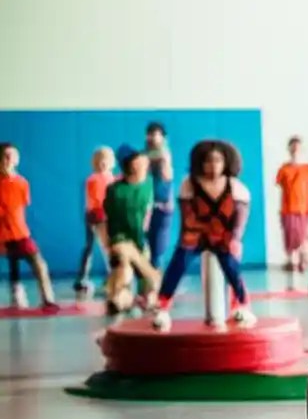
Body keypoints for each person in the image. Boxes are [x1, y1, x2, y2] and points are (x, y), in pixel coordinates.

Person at [151, 140, 256, 332]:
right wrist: (189, 240)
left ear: (226, 162)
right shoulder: (189, 184)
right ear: (200, 162)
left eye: (218, 160)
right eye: (208, 161)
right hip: (195, 235)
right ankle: (162, 307)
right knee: (178, 263)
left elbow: (240, 218)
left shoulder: (236, 187)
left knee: (232, 267)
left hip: (223, 236)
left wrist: (234, 239)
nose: (213, 166)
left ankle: (242, 305)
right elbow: (187, 218)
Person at [0, 144, 58, 311]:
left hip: (20, 233)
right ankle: (16, 296)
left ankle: (47, 299)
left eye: (11, 156)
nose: (8, 160)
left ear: (16, 160)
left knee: (39, 264)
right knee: (13, 264)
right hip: (4, 234)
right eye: (5, 156)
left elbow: (19, 208)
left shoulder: (22, 183)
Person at [103, 146, 160, 315]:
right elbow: (108, 219)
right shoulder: (115, 190)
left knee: (139, 280)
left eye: (144, 161)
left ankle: (121, 298)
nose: (144, 164)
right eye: (139, 162)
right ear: (130, 166)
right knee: (127, 268)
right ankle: (119, 296)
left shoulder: (150, 184)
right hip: (120, 240)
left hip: (141, 240)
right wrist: (109, 244)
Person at [74, 146, 117, 297]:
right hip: (97, 216)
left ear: (111, 162)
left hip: (105, 216)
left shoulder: (113, 179)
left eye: (105, 160)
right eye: (99, 161)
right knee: (94, 248)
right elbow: (97, 200)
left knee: (106, 248)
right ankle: (83, 278)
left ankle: (111, 277)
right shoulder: (93, 180)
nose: (102, 163)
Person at [276, 136, 308, 278]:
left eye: (297, 147)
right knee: (289, 234)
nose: (295, 150)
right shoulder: (284, 169)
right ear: (289, 149)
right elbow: (280, 183)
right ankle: (291, 260)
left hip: (304, 208)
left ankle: (303, 258)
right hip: (288, 208)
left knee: (303, 234)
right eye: (293, 147)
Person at [145, 122, 176, 270]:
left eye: (155, 134)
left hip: (163, 206)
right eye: (149, 134)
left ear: (163, 137)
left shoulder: (164, 154)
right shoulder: (144, 154)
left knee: (157, 249)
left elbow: (163, 168)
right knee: (147, 247)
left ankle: (156, 279)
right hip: (147, 205)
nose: (151, 137)